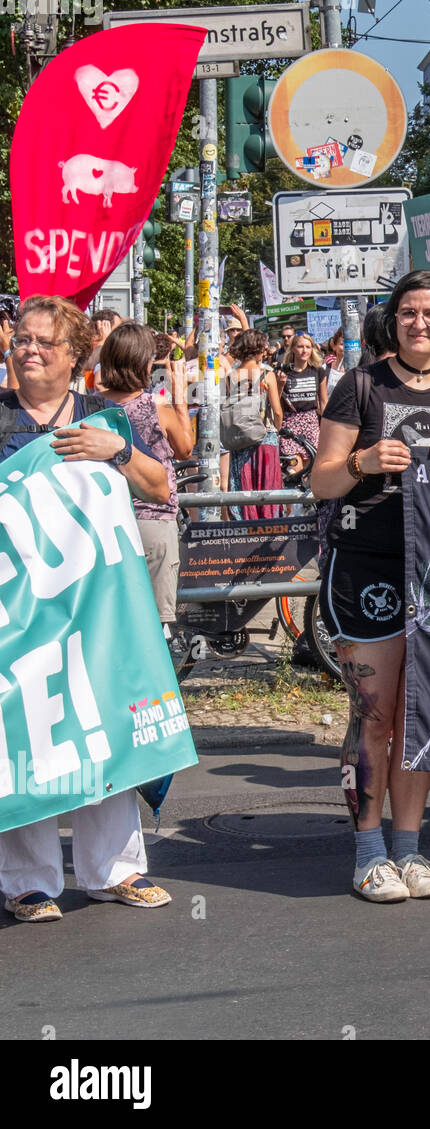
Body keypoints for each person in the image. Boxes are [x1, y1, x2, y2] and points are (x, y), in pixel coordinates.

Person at [315, 270, 430, 903]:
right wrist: (363, 461)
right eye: (409, 313)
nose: (421, 323)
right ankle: (367, 852)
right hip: (366, 566)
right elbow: (322, 481)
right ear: (394, 321)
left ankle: (410, 850)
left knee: (421, 717)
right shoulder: (360, 385)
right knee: (375, 715)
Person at [0, 296, 172, 922]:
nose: (29, 349)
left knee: (107, 730)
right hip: (18, 615)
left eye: (45, 341)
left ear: (75, 355)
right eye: (21, 338)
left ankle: (114, 871)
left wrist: (117, 453)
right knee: (24, 736)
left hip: (98, 610)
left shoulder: (107, 417)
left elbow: (160, 489)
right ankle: (27, 882)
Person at [95, 322, 194, 648]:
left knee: (109, 619)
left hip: (104, 524)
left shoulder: (88, 406)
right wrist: (180, 393)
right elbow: (185, 448)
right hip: (151, 519)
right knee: (153, 626)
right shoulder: (155, 405)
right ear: (143, 363)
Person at [225, 330, 283, 520]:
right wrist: (276, 429)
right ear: (258, 349)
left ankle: (245, 532)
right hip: (265, 438)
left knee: (244, 489)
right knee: (268, 491)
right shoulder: (267, 375)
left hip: (240, 440)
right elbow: (277, 411)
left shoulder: (231, 376)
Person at [278, 332, 325, 481]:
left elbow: (324, 402)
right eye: (300, 347)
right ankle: (292, 504)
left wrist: (328, 427)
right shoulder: (283, 372)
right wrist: (280, 384)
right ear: (293, 349)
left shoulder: (318, 371)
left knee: (309, 474)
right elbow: (276, 402)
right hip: (290, 425)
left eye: (308, 347)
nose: (304, 350)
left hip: (311, 423)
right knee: (294, 472)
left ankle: (307, 505)